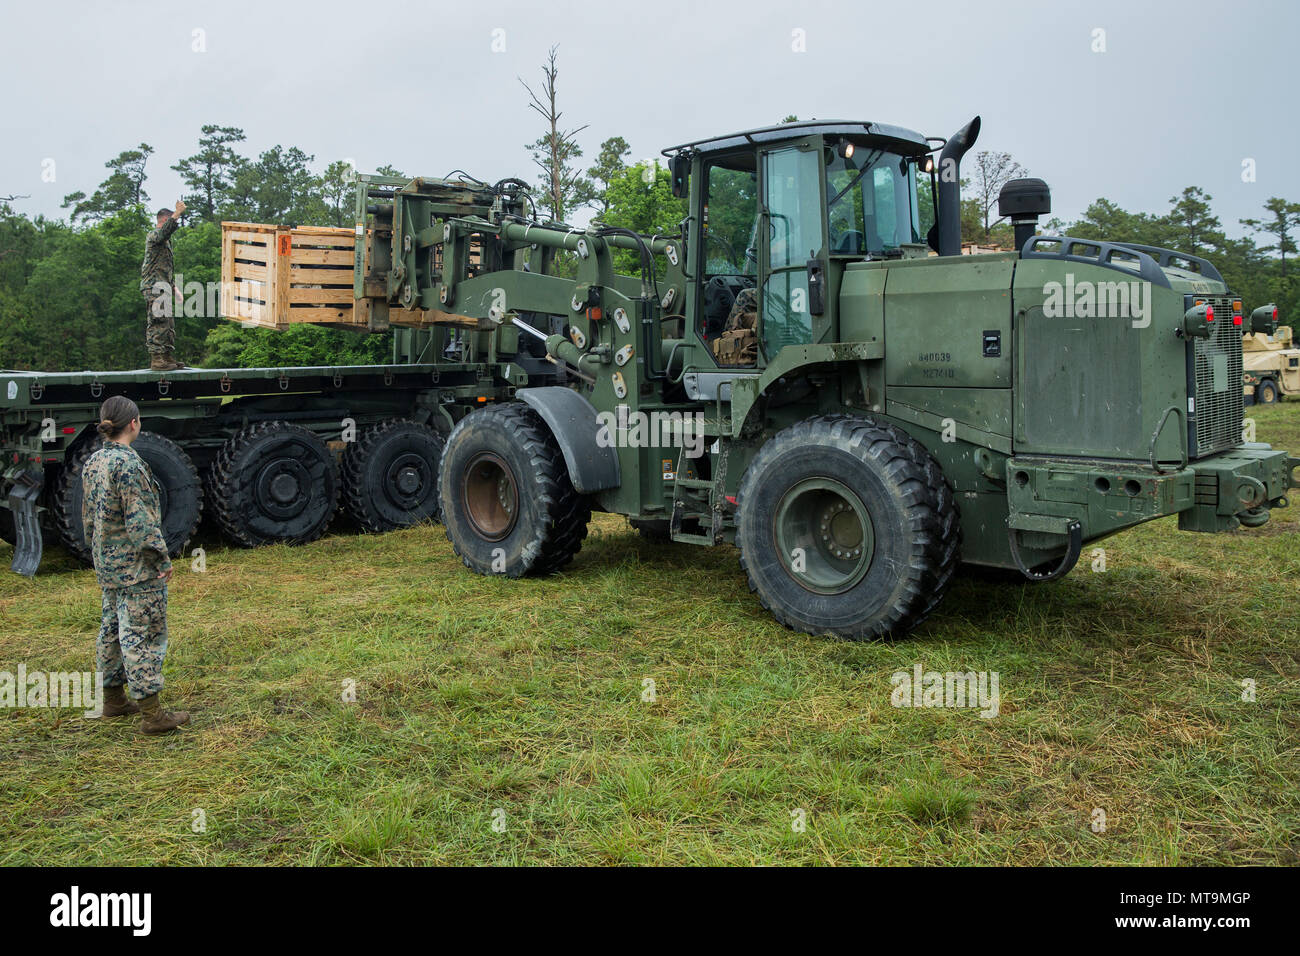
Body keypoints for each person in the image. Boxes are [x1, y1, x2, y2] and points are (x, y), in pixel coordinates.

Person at [81, 395, 189, 734]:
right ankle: (152, 715)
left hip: (107, 562)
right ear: (134, 423)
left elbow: (88, 519)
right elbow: (140, 521)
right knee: (143, 632)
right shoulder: (128, 465)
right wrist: (160, 558)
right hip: (136, 565)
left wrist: (98, 553)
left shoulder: (94, 462)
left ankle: (113, 699)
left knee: (111, 629)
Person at [140, 199, 187, 372]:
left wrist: (175, 290)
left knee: (167, 322)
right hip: (153, 287)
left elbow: (165, 268)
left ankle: (166, 356)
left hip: (164, 286)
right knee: (158, 321)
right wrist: (177, 213)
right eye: (171, 220)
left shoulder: (165, 242)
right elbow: (163, 233)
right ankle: (157, 358)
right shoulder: (154, 236)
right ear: (164, 220)